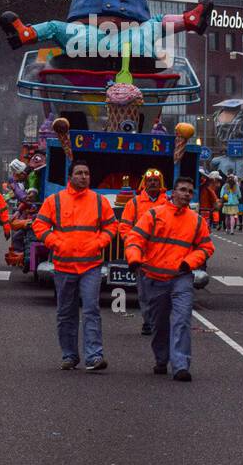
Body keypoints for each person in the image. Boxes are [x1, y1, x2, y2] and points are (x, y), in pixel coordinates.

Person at [125, 175, 215, 381]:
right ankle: (161, 359)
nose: (186, 194)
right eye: (182, 190)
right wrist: (134, 259)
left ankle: (181, 365)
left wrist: (188, 262)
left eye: (189, 192)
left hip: (181, 277)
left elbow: (206, 247)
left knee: (182, 320)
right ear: (172, 193)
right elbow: (135, 238)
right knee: (159, 324)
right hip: (154, 277)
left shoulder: (196, 221)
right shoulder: (153, 215)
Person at [33, 161, 116, 370]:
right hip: (64, 266)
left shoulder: (99, 201)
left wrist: (99, 243)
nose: (83, 176)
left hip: (91, 266)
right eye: (79, 173)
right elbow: (39, 225)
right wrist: (56, 243)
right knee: (65, 312)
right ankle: (69, 355)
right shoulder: (55, 201)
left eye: (86, 173)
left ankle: (94, 357)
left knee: (91, 310)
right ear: (70, 177)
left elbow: (112, 225)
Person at [118, 168, 170, 336]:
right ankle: (148, 322)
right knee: (144, 292)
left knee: (164, 293)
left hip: (164, 256)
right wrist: (132, 244)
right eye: (150, 181)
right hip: (143, 256)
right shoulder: (134, 203)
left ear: (160, 183)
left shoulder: (168, 202)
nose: (153, 183)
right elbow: (124, 226)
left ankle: (160, 321)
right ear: (144, 183)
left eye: (156, 180)